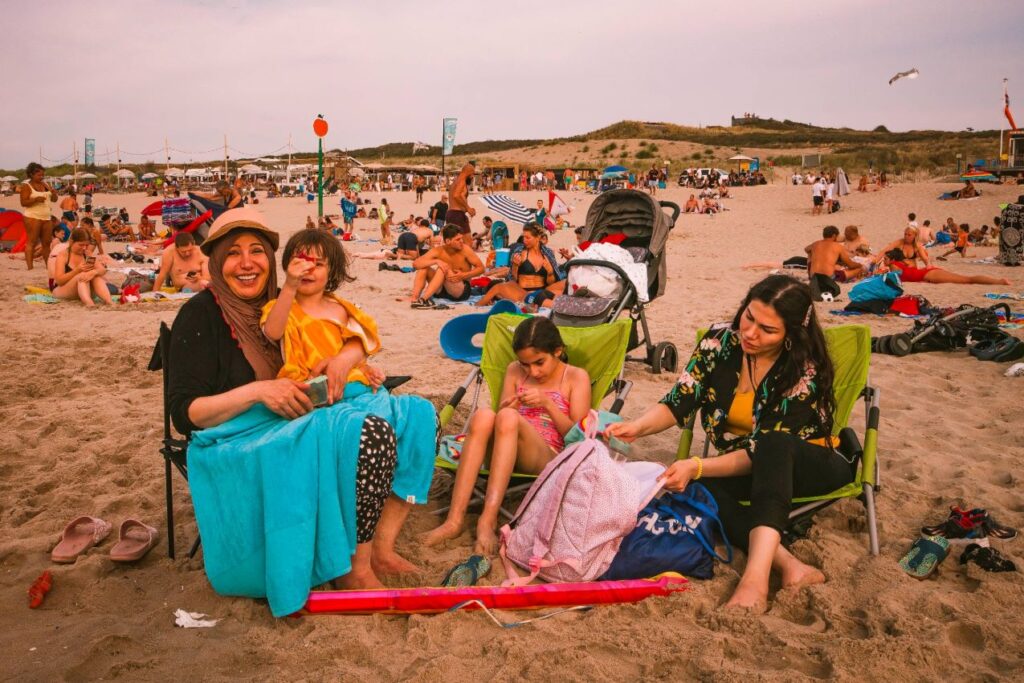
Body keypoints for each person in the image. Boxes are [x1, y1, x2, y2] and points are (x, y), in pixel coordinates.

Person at [166, 208, 435, 613]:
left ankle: (378, 549)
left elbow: (350, 332)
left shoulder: (281, 302)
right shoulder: (202, 314)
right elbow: (186, 414)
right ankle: (351, 568)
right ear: (216, 260)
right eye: (232, 252)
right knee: (372, 434)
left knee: (415, 417)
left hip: (301, 415)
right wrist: (258, 391)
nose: (246, 263)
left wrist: (348, 357)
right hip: (242, 436)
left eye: (256, 251)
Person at [605, 275, 854, 611]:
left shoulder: (803, 370)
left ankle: (755, 579)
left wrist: (697, 464)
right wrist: (636, 427)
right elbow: (680, 399)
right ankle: (790, 565)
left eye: (768, 330)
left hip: (811, 464)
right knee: (693, 486)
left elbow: (761, 449)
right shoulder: (719, 342)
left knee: (773, 446)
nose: (750, 333)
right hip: (753, 466)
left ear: (791, 335)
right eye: (749, 317)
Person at [423, 316, 591, 554]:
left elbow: (578, 437)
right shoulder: (514, 371)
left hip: (548, 454)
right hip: (506, 447)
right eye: (525, 364)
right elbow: (502, 415)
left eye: (539, 362)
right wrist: (509, 406)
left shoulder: (575, 377)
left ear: (558, 351)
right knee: (484, 415)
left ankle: (487, 520)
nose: (532, 370)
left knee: (508, 418)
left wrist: (548, 404)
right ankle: (454, 520)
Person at [475, 223, 564, 308]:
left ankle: (564, 303)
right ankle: (564, 306)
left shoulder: (547, 253)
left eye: (528, 237)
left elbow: (552, 282)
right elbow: (512, 280)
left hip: (544, 290)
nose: (524, 240)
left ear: (538, 238)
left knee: (565, 283)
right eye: (523, 237)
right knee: (543, 297)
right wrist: (515, 266)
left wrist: (550, 272)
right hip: (524, 292)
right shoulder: (519, 252)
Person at [408, 225, 484, 307]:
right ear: (448, 241)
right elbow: (416, 264)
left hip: (460, 290)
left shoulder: (465, 250)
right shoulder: (438, 251)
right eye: (458, 239)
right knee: (423, 267)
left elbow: (481, 268)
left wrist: (463, 275)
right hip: (441, 289)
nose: (461, 241)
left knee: (444, 268)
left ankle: (424, 299)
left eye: (461, 238)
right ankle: (415, 298)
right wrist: (436, 261)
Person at [50, 228, 114, 306]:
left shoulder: (87, 254)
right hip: (63, 289)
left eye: (86, 245)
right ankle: (89, 303)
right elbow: (59, 281)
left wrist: (94, 272)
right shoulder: (63, 255)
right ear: (72, 242)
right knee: (82, 275)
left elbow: (102, 270)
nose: (84, 248)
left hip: (83, 289)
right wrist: (77, 270)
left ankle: (109, 302)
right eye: (81, 245)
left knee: (95, 276)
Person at [880, 248, 1009, 285]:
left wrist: (881, 273)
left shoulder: (895, 267)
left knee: (967, 280)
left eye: (885, 259)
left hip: (929, 275)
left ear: (892, 260)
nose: (883, 260)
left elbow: (892, 278)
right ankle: (999, 281)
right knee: (966, 280)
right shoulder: (900, 264)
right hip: (928, 275)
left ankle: (1000, 281)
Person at [805, 226, 862, 299]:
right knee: (859, 269)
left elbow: (806, 249)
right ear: (834, 236)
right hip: (828, 278)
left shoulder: (815, 244)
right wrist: (859, 265)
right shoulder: (838, 246)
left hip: (813, 277)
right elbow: (851, 265)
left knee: (810, 254)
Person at [19, 162, 57, 270]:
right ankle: (30, 267)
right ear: (31, 174)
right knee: (32, 241)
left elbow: (54, 200)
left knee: (47, 243)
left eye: (42, 175)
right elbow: (23, 202)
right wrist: (35, 199)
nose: (41, 177)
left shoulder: (45, 185)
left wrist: (54, 193)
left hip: (46, 217)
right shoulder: (27, 186)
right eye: (39, 175)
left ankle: (48, 266)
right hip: (32, 216)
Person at [447, 163, 476, 235]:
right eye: (472, 174)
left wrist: (467, 209)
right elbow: (456, 195)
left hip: (451, 214)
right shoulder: (462, 181)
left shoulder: (455, 181)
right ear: (469, 172)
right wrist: (468, 208)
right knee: (467, 242)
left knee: (455, 243)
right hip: (457, 215)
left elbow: (458, 197)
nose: (472, 177)